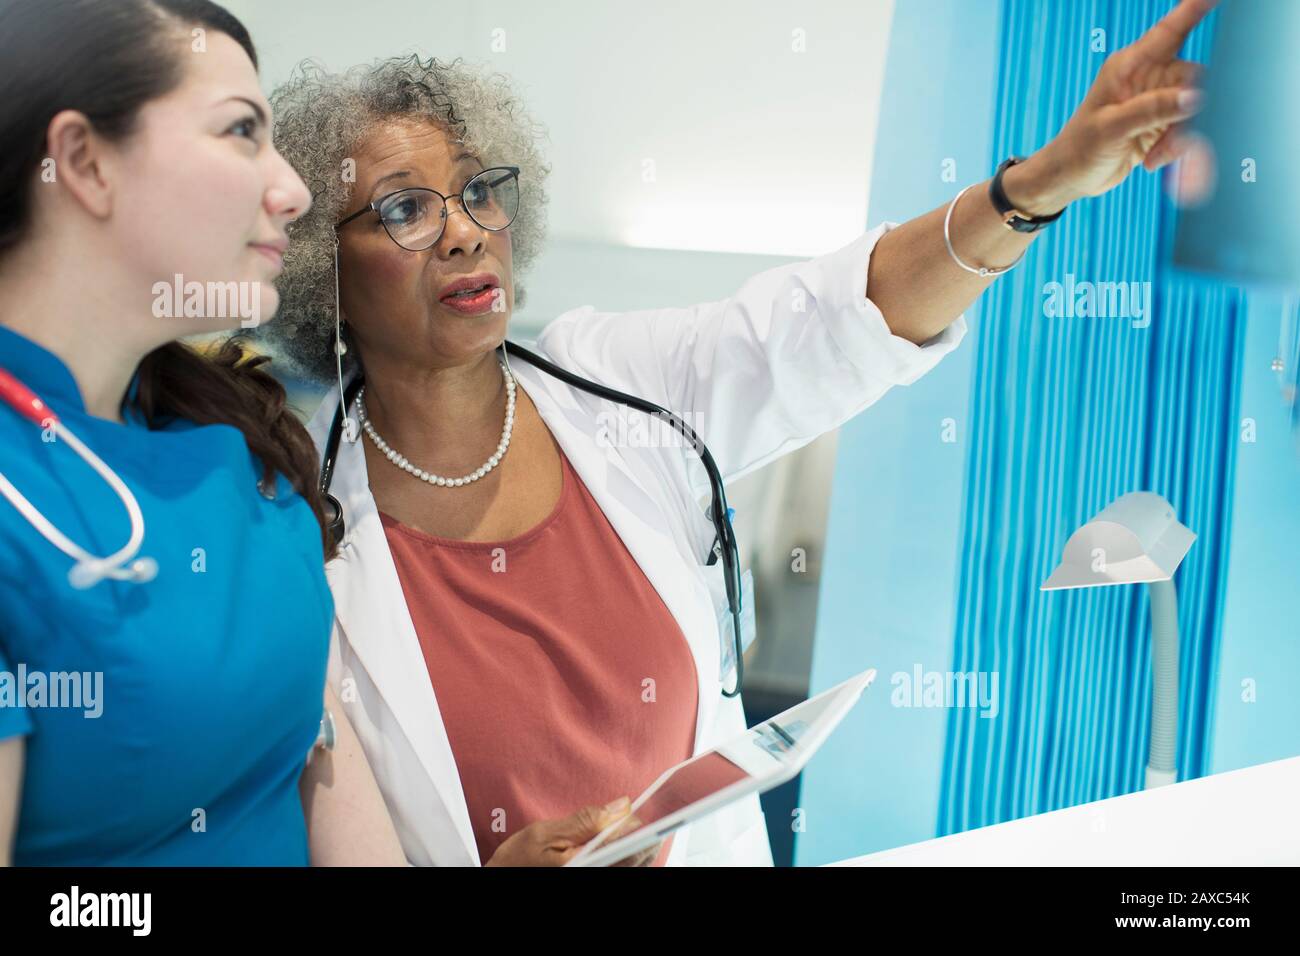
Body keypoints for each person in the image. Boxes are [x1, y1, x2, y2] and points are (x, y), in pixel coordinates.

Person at [262, 0, 1215, 865]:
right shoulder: (293, 526)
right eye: (403, 211)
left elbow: (847, 317)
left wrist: (1044, 182)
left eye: (478, 190)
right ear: (317, 265)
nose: (466, 232)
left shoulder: (620, 388)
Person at [0, 0, 416, 866]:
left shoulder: (237, 439)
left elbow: (316, 760)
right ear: (83, 162)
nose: (293, 189)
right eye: (240, 132)